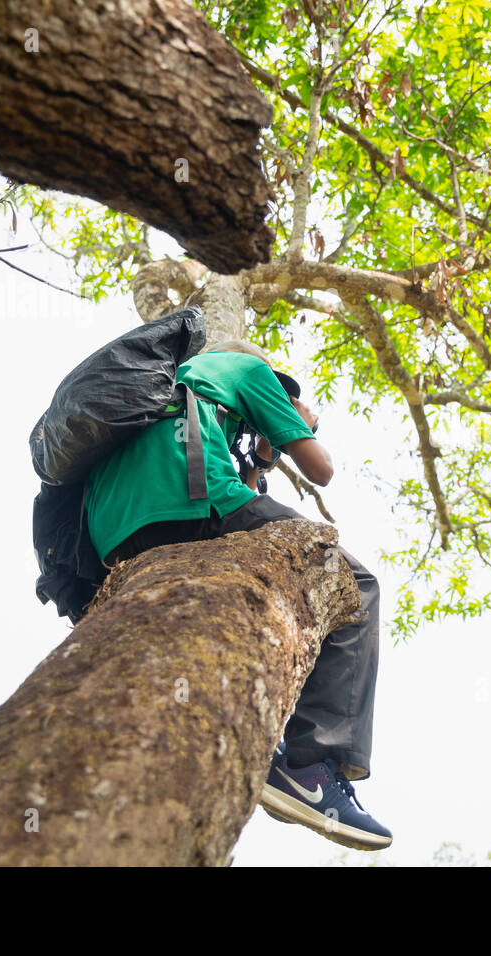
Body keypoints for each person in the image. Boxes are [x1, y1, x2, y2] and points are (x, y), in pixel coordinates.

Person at [84, 339, 391, 851]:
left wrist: (260, 458)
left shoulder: (171, 393)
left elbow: (246, 497)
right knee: (354, 587)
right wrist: (301, 423)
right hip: (187, 499)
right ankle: (310, 766)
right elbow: (320, 471)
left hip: (113, 537)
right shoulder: (247, 369)